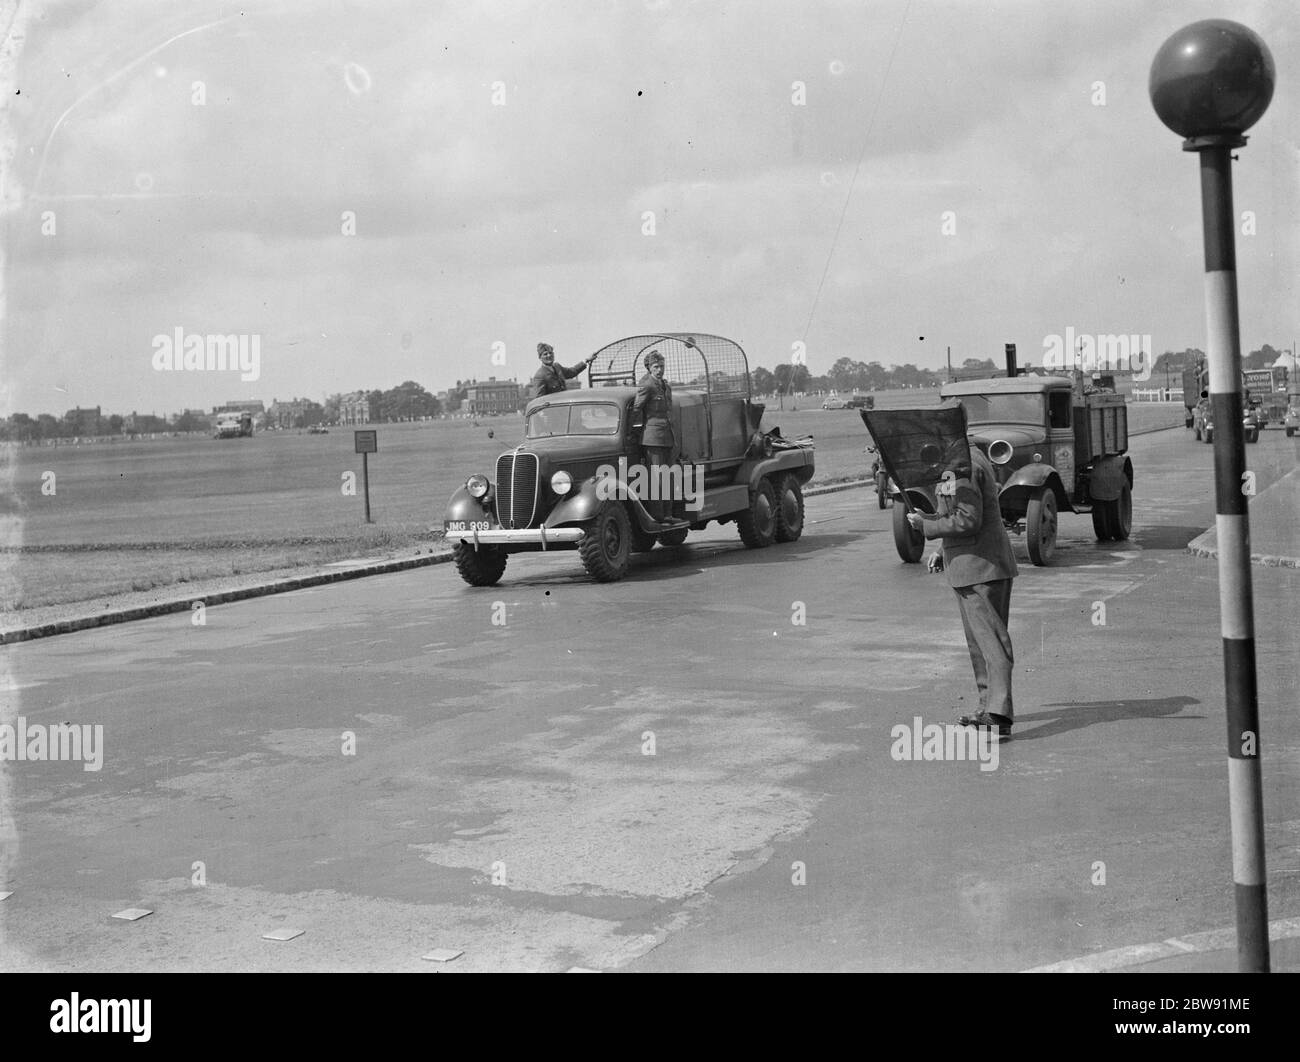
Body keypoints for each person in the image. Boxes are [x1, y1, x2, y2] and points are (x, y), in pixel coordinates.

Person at [906, 443, 1018, 737]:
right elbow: (958, 512)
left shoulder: (960, 468)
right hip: (976, 565)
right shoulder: (968, 457)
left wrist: (925, 524)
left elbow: (968, 518)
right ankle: (987, 707)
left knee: (991, 643)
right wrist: (943, 549)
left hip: (980, 567)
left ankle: (999, 713)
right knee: (980, 644)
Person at [632, 349, 675, 524]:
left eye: (662, 366)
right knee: (657, 478)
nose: (660, 370)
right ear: (649, 368)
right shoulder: (647, 385)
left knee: (668, 476)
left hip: (667, 436)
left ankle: (668, 514)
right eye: (656, 367)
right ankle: (658, 515)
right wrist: (636, 432)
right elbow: (636, 409)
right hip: (653, 438)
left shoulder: (664, 385)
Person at [529, 342, 594, 399]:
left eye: (551, 353)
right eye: (545, 354)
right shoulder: (539, 376)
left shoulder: (557, 367)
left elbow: (572, 372)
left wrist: (586, 360)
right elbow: (540, 400)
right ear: (540, 358)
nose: (549, 355)